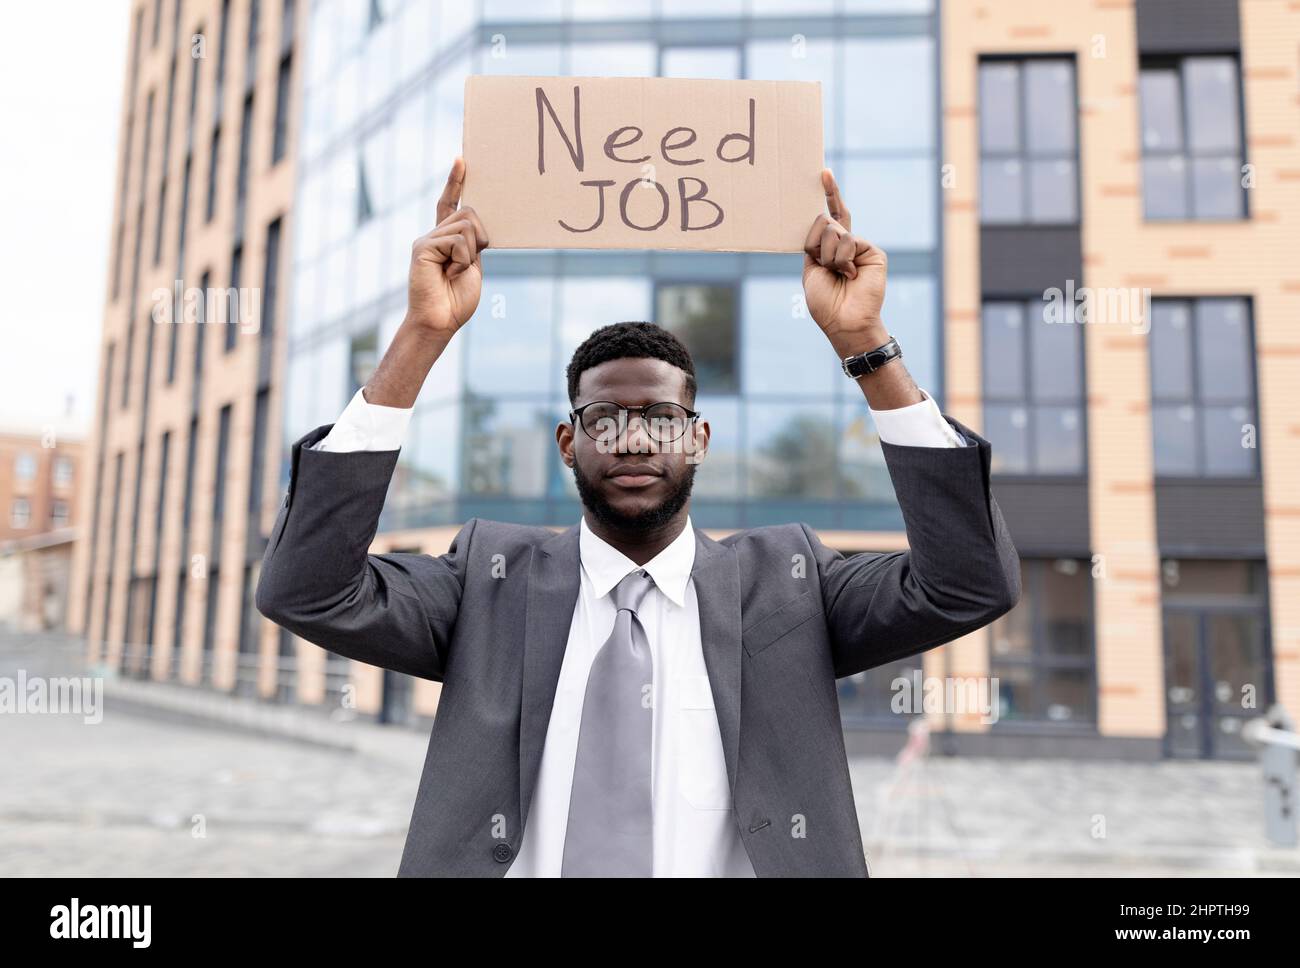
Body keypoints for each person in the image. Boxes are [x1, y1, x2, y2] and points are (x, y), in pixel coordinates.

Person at [256, 158, 1020, 877]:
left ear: (698, 439)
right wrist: (423, 334)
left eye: (660, 416)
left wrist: (863, 344)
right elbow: (308, 591)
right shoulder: (486, 582)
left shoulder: (791, 584)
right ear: (566, 442)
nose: (631, 437)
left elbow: (967, 585)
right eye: (602, 418)